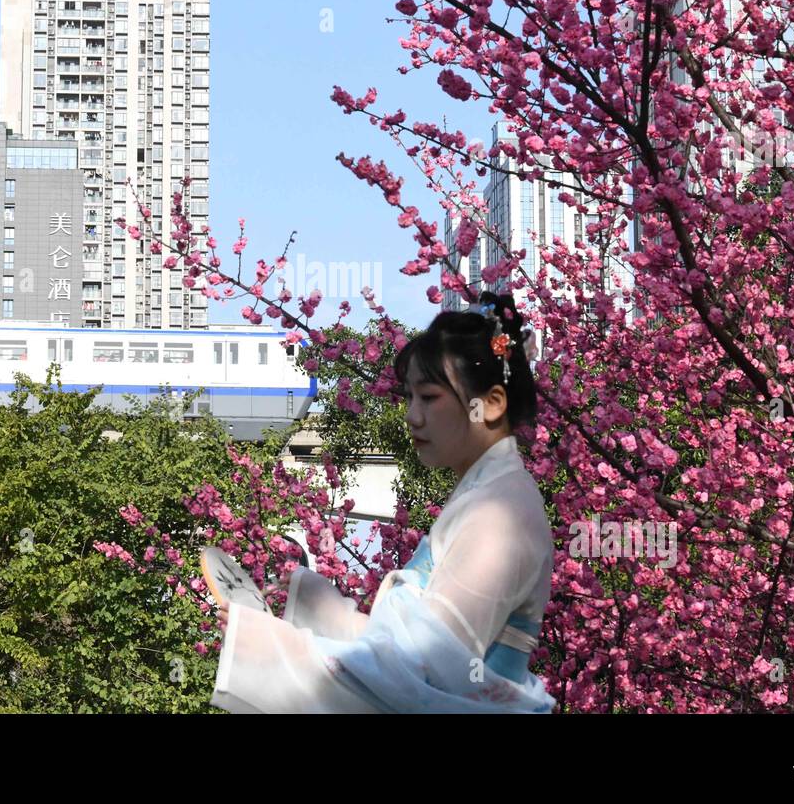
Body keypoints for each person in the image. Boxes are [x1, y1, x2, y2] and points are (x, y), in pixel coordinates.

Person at [209, 291, 556, 713]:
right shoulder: (491, 497)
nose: (412, 415)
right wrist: (319, 609)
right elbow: (422, 657)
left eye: (429, 397)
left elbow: (421, 671)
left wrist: (268, 645)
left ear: (491, 404)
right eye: (410, 397)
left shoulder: (501, 517)